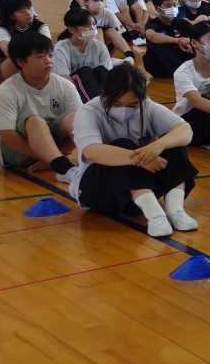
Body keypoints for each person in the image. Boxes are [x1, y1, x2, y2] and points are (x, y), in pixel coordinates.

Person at [68, 65, 199, 237]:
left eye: (133, 105)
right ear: (105, 94)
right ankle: (155, 215)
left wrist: (158, 146)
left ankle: (176, 211)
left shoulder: (147, 107)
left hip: (137, 193)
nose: (124, 109)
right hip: (99, 191)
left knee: (173, 144)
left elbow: (185, 130)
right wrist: (141, 158)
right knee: (123, 144)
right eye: (117, 104)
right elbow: (92, 151)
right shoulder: (88, 112)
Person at [0, 31, 79, 178]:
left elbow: (82, 124)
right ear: (21, 62)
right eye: (40, 56)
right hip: (17, 152)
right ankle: (64, 168)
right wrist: (46, 157)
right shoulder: (7, 90)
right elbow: (7, 135)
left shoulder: (64, 85)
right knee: (35, 121)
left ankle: (73, 164)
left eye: (50, 55)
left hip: (55, 150)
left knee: (74, 117)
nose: (48, 61)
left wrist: (59, 154)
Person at [53, 7, 114, 100]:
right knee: (85, 71)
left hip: (98, 90)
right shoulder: (61, 49)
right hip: (74, 93)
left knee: (101, 70)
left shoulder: (99, 46)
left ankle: (110, 103)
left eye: (93, 25)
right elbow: (65, 81)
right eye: (87, 26)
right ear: (71, 29)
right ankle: (97, 107)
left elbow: (108, 73)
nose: (92, 29)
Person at [140, 0, 191, 79]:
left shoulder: (181, 22)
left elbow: (197, 33)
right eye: (168, 6)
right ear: (158, 9)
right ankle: (184, 74)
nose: (173, 8)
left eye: (174, 5)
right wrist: (177, 40)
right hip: (159, 66)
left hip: (180, 60)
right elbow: (151, 35)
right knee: (160, 46)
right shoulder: (153, 23)